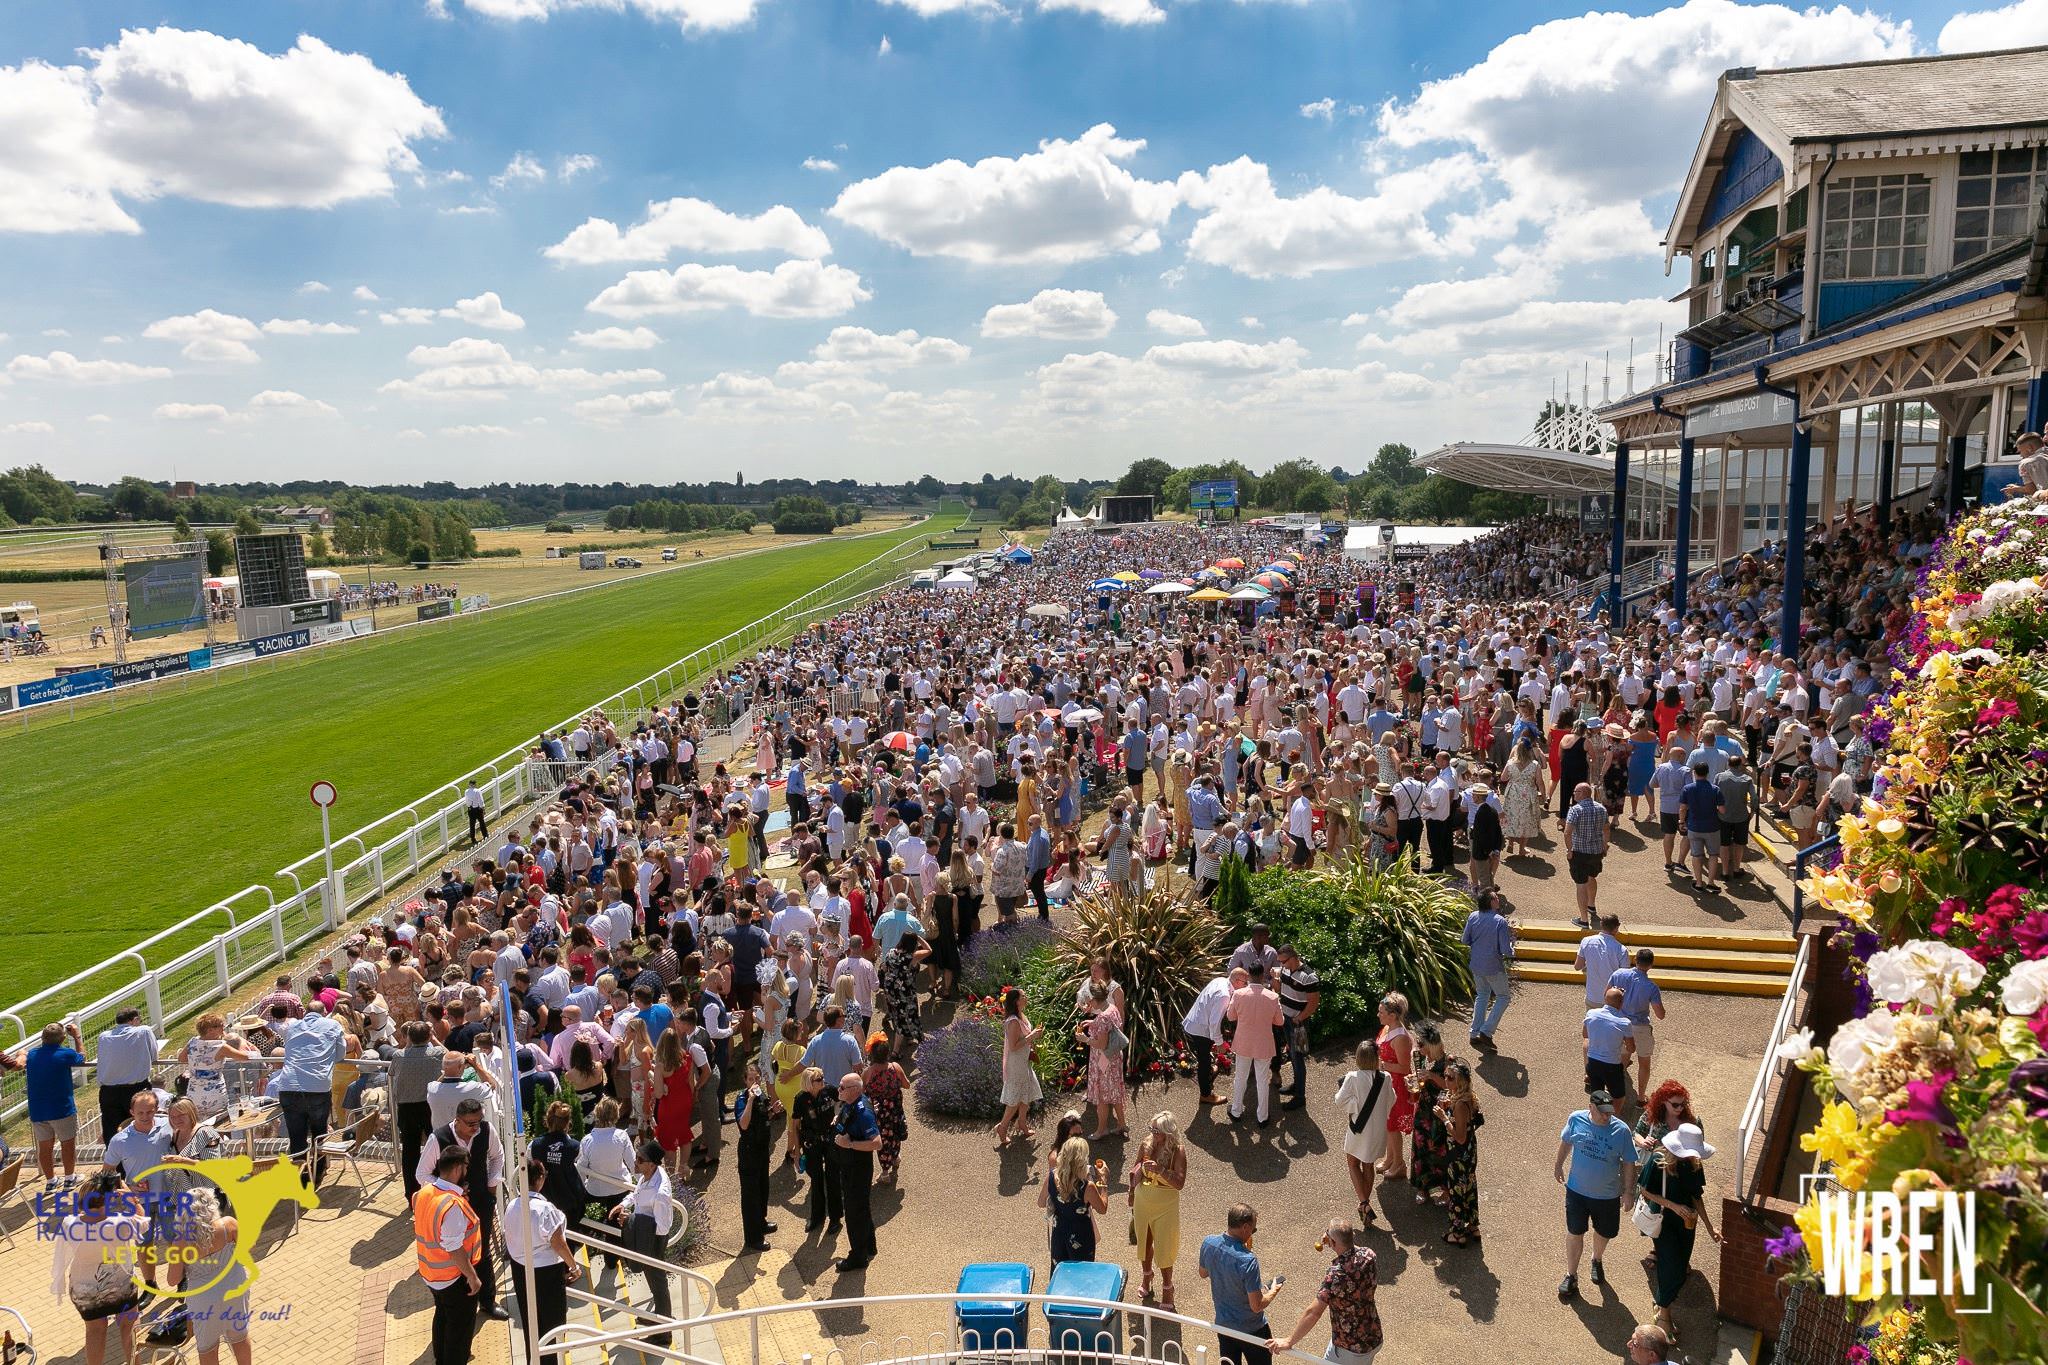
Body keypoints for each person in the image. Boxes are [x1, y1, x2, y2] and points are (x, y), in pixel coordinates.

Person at [416, 1098, 508, 1321]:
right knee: (455, 1251)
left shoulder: (486, 1130)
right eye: (470, 1124)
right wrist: (447, 1190)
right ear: (457, 1121)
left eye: (478, 1122)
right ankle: (461, 1298)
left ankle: (487, 1301)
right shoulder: (438, 1138)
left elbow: (497, 1156)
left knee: (482, 1251)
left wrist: (492, 1183)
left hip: (479, 1201)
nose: (475, 1128)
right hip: (450, 1207)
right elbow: (422, 1174)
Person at [50, 1169, 150, 1365]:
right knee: (129, 1325)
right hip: (120, 1287)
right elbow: (143, 1221)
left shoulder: (70, 1223)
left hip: (84, 1290)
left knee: (95, 1331)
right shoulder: (120, 1222)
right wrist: (131, 1198)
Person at [1639, 1124, 1720, 1344]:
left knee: (1681, 1266)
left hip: (1686, 1223)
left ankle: (1661, 1302)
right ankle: (1664, 1315)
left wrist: (1710, 1226)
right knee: (1670, 1266)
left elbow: (1696, 1197)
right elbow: (1645, 1190)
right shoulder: (1657, 1161)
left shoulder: (1694, 1165)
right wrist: (1673, 1206)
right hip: (1665, 1221)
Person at [1555, 1088, 1637, 1302]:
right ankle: (1571, 1275)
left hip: (1607, 1197)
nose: (1607, 1116)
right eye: (1602, 1112)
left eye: (1609, 1112)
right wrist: (1558, 1165)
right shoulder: (1576, 1119)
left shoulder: (1622, 1131)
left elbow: (1629, 1162)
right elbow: (1566, 1142)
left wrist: (1628, 1192)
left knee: (1604, 1232)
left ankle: (1596, 1259)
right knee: (1574, 1232)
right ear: (1590, 1107)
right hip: (1577, 1192)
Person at [1266, 1219, 1382, 1365]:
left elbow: (1313, 1312)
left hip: (1350, 1348)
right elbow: (1351, 1249)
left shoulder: (1336, 1276)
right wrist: (1334, 1240)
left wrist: (1289, 1341)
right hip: (1373, 1335)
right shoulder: (1369, 1255)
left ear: (1333, 1242)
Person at [503, 1158, 581, 1363]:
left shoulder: (512, 1205)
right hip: (546, 1273)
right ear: (539, 1179)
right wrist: (573, 1265)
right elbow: (558, 1242)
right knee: (552, 1325)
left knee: (531, 1323)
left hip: (521, 1270)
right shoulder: (543, 1209)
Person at [413, 1145, 485, 1365]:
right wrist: (472, 1276)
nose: (467, 1171)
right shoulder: (452, 1205)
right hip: (452, 1276)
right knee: (459, 1328)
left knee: (443, 1316)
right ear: (456, 1169)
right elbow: (453, 1247)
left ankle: (440, 1359)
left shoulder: (423, 1192)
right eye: (466, 1166)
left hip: (430, 1273)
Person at [167, 1185, 252, 1365]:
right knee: (240, 1336)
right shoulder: (229, 1223)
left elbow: (172, 1280)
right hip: (235, 1286)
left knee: (208, 1347)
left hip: (203, 1298)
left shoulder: (180, 1242)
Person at [608, 1141, 677, 1345]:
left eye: (640, 1160)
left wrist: (631, 1222)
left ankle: (664, 1333)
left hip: (653, 1240)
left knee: (658, 1282)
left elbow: (662, 1226)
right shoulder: (647, 1176)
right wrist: (623, 1205)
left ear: (652, 1164)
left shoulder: (661, 1191)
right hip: (646, 1235)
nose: (635, 1163)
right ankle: (660, 1316)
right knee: (655, 1282)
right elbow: (637, 1195)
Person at [1198, 1203, 1283, 1365]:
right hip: (1253, 1330)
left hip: (1224, 1327)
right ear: (1245, 1227)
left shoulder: (1208, 1243)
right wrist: (1273, 1290)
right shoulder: (1247, 1260)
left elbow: (1203, 1273)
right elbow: (1256, 1306)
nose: (1252, 1233)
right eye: (1253, 1229)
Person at [274, 1002, 350, 1182]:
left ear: (306, 1012)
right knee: (319, 1134)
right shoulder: (333, 1025)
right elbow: (340, 1054)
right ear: (324, 1012)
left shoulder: (293, 1026)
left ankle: (301, 1178)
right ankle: (317, 1173)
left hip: (289, 1086)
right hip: (317, 1087)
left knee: (296, 1136)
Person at [1128, 1111, 1187, 1307]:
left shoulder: (1178, 1150)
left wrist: (1160, 1170)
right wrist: (1131, 1192)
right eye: (1151, 1129)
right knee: (1143, 1241)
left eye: (1157, 1130)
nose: (1153, 1133)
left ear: (1168, 1132)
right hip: (1143, 1200)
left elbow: (1179, 1183)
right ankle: (1147, 1276)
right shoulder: (1147, 1143)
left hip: (1166, 1204)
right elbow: (1136, 1166)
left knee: (1164, 1248)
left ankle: (1168, 1288)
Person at [1334, 1040, 1394, 1227]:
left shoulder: (1352, 1077)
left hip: (1358, 1129)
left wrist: (1355, 1107)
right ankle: (1365, 1206)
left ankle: (1364, 1203)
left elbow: (1339, 1100)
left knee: (1352, 1164)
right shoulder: (1386, 1077)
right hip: (1377, 1130)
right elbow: (1391, 1100)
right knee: (1368, 1165)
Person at [832, 1070, 882, 1271]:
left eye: (842, 1087)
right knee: (861, 1208)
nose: (839, 1090)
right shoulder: (853, 1103)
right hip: (850, 1166)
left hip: (857, 1169)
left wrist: (849, 1143)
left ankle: (857, 1257)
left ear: (854, 1090)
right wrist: (837, 1122)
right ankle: (869, 1246)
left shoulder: (863, 1112)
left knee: (853, 1213)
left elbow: (876, 1143)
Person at [393, 1020, 448, 1200]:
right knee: (437, 1147)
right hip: (429, 1106)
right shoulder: (437, 1053)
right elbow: (450, 1056)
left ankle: (412, 1194)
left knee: (410, 1151)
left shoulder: (399, 1055)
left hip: (407, 1107)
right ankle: (440, 1189)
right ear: (428, 1036)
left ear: (409, 1037)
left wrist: (409, 1041)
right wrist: (433, 1038)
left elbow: (392, 1072)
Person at [25, 1019, 86, 1181]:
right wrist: (77, 1037)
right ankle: (69, 1178)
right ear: (63, 1038)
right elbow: (82, 1057)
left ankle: (51, 1181)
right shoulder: (65, 1054)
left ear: (43, 1038)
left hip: (38, 1111)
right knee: (67, 1144)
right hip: (62, 1109)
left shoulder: (31, 1055)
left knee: (44, 1147)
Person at [1227, 962, 1283, 1127]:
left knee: (1240, 1078)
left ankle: (1236, 1111)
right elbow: (1279, 1021)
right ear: (1262, 974)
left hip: (1243, 1042)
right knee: (1262, 1080)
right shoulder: (1272, 997)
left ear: (1249, 975)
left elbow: (1230, 1017)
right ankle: (1262, 1117)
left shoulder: (1238, 994)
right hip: (1264, 1044)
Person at [1040, 1136, 1109, 1267]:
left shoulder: (1051, 1177)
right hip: (1081, 1236)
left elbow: (1041, 1202)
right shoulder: (1087, 1186)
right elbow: (1102, 1209)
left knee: (1060, 1271)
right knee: (1081, 1273)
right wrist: (1103, 1181)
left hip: (1059, 1233)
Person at [1609, 949, 1668, 1101]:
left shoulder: (1618, 974)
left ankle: (1617, 1092)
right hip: (1641, 1027)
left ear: (1635, 959)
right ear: (1651, 965)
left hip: (1620, 1025)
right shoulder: (1651, 987)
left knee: (1621, 1058)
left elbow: (1607, 996)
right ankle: (1641, 1098)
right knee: (1644, 1063)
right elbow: (1660, 1015)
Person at [1437, 1059, 1484, 1246]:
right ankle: (1473, 1226)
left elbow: (1460, 1136)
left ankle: (1457, 1233)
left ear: (1461, 1082)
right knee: (1469, 1186)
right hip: (1470, 1152)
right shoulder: (1468, 1097)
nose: (1445, 1080)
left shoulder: (1459, 1105)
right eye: (1445, 1076)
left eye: (1450, 1078)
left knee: (1457, 1190)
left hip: (1459, 1153)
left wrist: (1444, 1118)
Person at [95, 1008, 160, 1142]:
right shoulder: (144, 1031)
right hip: (136, 1089)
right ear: (135, 1020)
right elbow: (154, 1055)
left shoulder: (104, 1036)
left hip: (109, 1091)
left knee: (112, 1131)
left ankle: (115, 1161)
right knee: (143, 1127)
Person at [734, 1062, 779, 1252]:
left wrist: (772, 1111)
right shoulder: (742, 1099)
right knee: (751, 1196)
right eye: (751, 1079)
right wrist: (751, 1101)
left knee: (762, 1189)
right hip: (749, 1152)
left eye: (757, 1078)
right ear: (745, 1081)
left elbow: (761, 1119)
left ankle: (760, 1223)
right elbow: (744, 1125)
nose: (755, 1082)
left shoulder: (762, 1097)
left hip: (761, 1150)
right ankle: (752, 1238)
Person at [1460, 890, 1514, 1047]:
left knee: (1482, 995)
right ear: (1491, 902)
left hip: (1476, 964)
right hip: (1493, 966)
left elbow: (1465, 939)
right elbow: (1505, 950)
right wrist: (1512, 950)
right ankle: (1486, 1031)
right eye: (1496, 898)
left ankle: (1474, 1033)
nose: (1499, 900)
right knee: (1503, 997)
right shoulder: (1500, 922)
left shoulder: (1473, 916)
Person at [1181, 970, 1242, 1107]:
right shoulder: (1225, 995)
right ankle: (1206, 1094)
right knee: (1204, 1060)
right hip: (1201, 1029)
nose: (1245, 986)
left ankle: (1208, 1073)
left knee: (1204, 1057)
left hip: (1196, 1022)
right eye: (1244, 983)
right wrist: (1219, 1042)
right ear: (1237, 981)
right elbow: (1214, 1022)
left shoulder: (1220, 980)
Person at [994, 986, 1044, 1149]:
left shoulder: (1020, 1016)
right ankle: (1002, 1127)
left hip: (1023, 1062)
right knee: (1014, 1100)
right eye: (1023, 996)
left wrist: (1032, 1040)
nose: (1026, 997)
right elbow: (1014, 1046)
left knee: (1026, 1093)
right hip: (1016, 1064)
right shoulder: (1013, 1021)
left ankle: (1021, 1123)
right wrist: (1033, 1036)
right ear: (1016, 1001)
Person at [792, 1067, 841, 1232]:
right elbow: (795, 1126)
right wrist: (796, 1152)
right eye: (818, 1079)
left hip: (828, 1140)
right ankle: (817, 1217)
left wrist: (837, 1116)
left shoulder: (829, 1091)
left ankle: (835, 1218)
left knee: (832, 1177)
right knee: (816, 1179)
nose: (822, 1081)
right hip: (812, 1143)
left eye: (822, 1077)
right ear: (809, 1083)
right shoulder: (800, 1099)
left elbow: (843, 1100)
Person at [1373, 994, 1414, 1182]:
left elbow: (1405, 1068)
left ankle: (1399, 1164)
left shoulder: (1401, 1038)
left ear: (1393, 1015)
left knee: (1392, 1126)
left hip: (1396, 1086)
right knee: (1387, 1125)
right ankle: (1390, 1158)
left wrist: (1381, 1065)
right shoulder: (1388, 1028)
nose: (1378, 1015)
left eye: (1381, 1012)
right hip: (1386, 1083)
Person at [1274, 945, 1321, 1110]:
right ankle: (1296, 1084)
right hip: (1286, 1019)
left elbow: (1314, 1003)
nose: (1281, 965)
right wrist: (1275, 979)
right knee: (1292, 1054)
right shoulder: (1285, 971)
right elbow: (1280, 990)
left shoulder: (1309, 976)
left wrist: (1299, 1018)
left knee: (1298, 1057)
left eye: (1283, 961)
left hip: (1298, 1023)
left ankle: (1300, 1096)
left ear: (1292, 958)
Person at [1081, 980, 1128, 1139]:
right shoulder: (1111, 1008)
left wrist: (1084, 1039)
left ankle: (1102, 1130)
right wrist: (1092, 1023)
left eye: (1089, 1000)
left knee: (1102, 1095)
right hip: (1114, 1057)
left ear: (1094, 1000)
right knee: (1114, 1091)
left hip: (1103, 1059)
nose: (1088, 1003)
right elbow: (1109, 1028)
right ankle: (1122, 1124)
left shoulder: (1102, 1018)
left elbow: (1101, 1044)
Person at [863, 1035, 911, 1181]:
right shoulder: (895, 1068)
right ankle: (895, 1157)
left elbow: (861, 1091)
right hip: (895, 1110)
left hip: (879, 1113)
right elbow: (907, 1084)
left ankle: (885, 1172)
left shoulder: (868, 1072)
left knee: (883, 1139)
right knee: (896, 1134)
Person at [1563, 782, 1608, 926]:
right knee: (1592, 877)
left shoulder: (1576, 810)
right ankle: (1591, 905)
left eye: (1576, 792)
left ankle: (1583, 919)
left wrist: (1569, 850)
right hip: (1596, 852)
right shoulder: (1601, 809)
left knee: (1581, 884)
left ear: (1582, 793)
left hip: (1579, 853)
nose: (1574, 794)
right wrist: (1605, 846)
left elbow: (1567, 832)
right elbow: (1606, 829)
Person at [1583, 985, 1635, 1101]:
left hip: (1592, 1062)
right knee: (1619, 1097)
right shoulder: (1624, 1023)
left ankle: (1597, 1117)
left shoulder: (1591, 1013)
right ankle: (1612, 1118)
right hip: (1612, 1065)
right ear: (1621, 1004)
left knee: (1597, 1096)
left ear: (1605, 999)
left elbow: (1585, 1035)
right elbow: (1631, 1049)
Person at [1678, 762, 1724, 893]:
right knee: (1713, 854)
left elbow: (1682, 808)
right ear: (1707, 773)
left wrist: (1681, 822)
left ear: (1694, 773)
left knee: (1697, 855)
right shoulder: (1715, 789)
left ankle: (1698, 883)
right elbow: (1722, 810)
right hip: (1712, 827)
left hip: (1694, 827)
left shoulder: (1688, 788)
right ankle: (1710, 882)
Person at [1573, 914, 1628, 1011]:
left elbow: (1577, 966)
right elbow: (1624, 977)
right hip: (1612, 999)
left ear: (1601, 924)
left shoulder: (1586, 941)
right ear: (1617, 927)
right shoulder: (1621, 949)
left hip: (1592, 995)